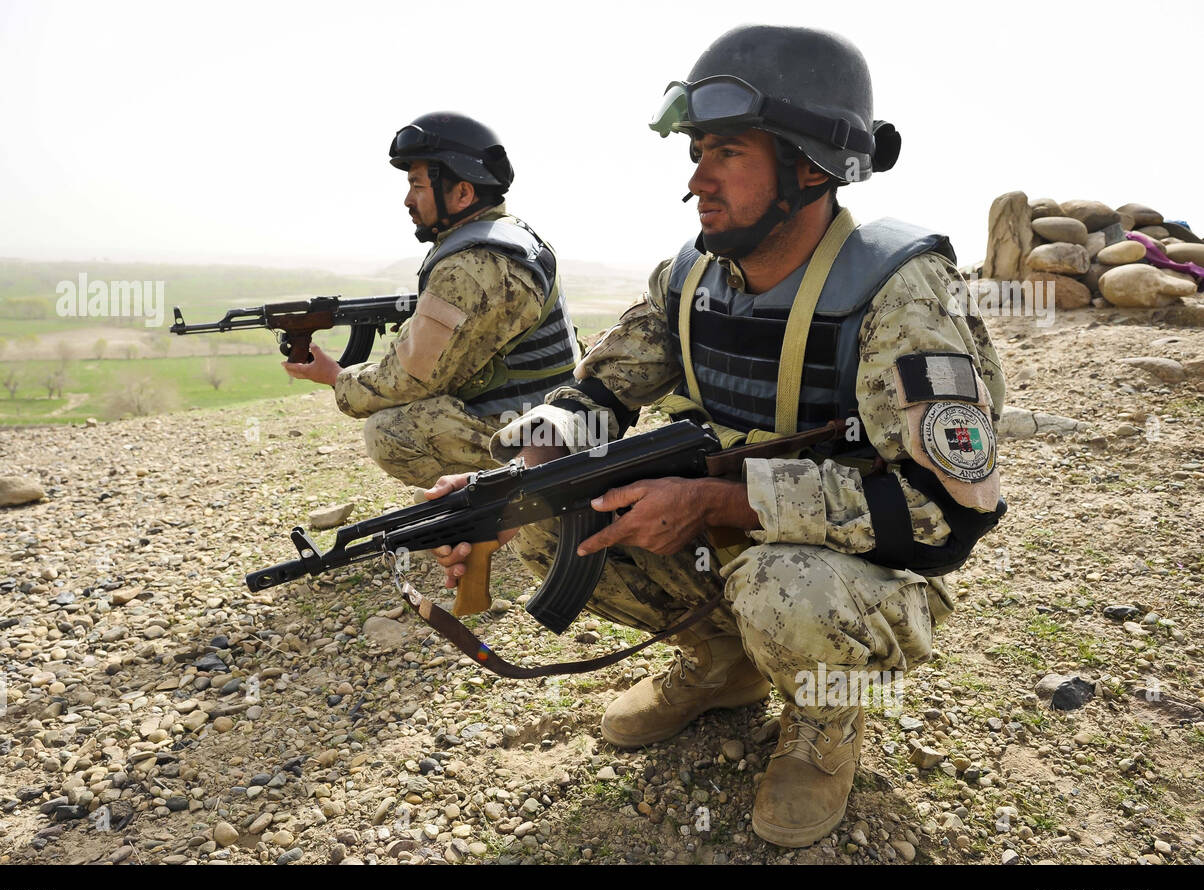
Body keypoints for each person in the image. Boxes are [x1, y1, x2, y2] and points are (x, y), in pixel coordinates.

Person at [430, 25, 1006, 848]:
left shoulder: (900, 291)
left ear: (809, 165)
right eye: (696, 151)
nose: (695, 179)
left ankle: (829, 716)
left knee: (783, 585)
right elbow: (597, 390)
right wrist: (518, 474)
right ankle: (724, 665)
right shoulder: (694, 276)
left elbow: (947, 517)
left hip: (858, 572)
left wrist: (717, 500)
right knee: (555, 512)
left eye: (726, 152)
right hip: (735, 536)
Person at [283, 112, 579, 488]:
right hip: (561, 419)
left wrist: (337, 378)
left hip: (543, 443)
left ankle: (508, 517)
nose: (408, 200)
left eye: (417, 186)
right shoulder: (513, 235)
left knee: (391, 431)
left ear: (462, 193)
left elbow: (410, 381)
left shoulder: (470, 267)